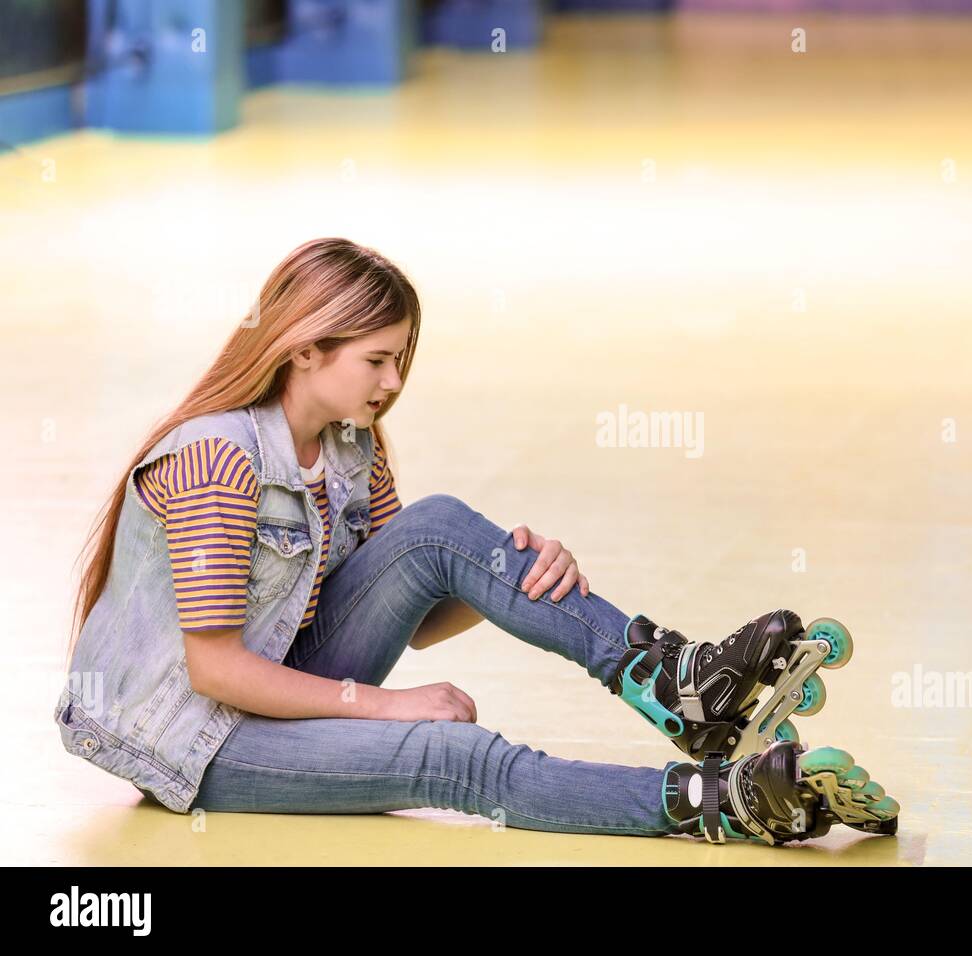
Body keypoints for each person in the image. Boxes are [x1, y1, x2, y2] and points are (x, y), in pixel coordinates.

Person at [56, 237, 899, 845]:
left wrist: (513, 573)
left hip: (272, 684)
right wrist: (383, 706)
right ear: (305, 350)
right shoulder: (218, 458)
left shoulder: (352, 446)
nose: (394, 382)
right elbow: (213, 668)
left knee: (443, 529)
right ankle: (713, 799)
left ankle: (675, 681)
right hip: (193, 742)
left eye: (401, 361)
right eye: (378, 360)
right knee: (452, 754)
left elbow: (418, 611)